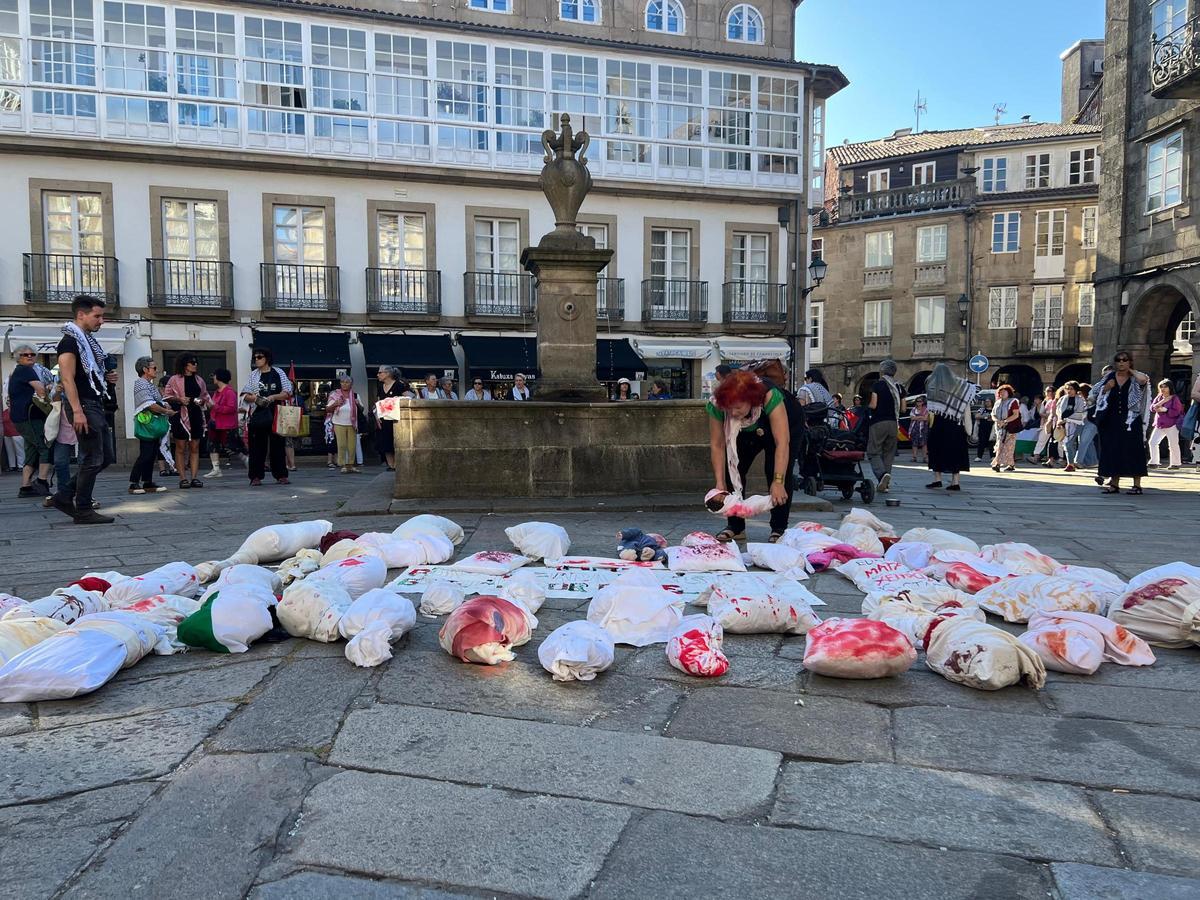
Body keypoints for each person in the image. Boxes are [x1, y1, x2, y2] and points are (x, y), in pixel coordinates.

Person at [706, 369, 798, 544]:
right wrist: (719, 484)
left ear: (751, 400)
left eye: (738, 407)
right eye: (729, 408)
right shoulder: (717, 405)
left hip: (786, 424)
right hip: (743, 431)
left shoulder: (770, 396)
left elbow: (782, 443)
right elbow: (717, 445)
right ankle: (735, 526)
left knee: (776, 473)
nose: (733, 413)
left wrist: (778, 481)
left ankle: (779, 528)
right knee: (732, 468)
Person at [51, 295, 116, 524]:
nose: (101, 320)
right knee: (92, 458)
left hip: (93, 403)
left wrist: (107, 378)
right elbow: (67, 379)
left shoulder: (85, 342)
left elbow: (84, 375)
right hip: (84, 406)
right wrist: (77, 411)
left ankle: (65, 495)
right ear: (81, 315)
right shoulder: (69, 342)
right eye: (97, 316)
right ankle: (84, 509)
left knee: (105, 457)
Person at [1094, 351, 1151, 495]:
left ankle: (1136, 485)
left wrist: (1130, 370)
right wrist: (1107, 387)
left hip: (1131, 419)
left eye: (1125, 360)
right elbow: (1095, 392)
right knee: (1113, 450)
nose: (1121, 362)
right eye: (1118, 360)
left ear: (1130, 362)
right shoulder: (1109, 377)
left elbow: (1144, 380)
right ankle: (1114, 484)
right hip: (1111, 419)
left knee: (1134, 450)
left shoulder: (1135, 377)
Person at [240, 347, 293, 486]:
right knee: (257, 446)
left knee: (278, 445)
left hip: (276, 412)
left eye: (259, 357)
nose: (256, 360)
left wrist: (273, 397)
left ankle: (281, 475)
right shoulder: (253, 375)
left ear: (267, 359)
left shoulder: (278, 372)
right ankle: (255, 476)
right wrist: (257, 399)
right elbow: (245, 394)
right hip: (258, 413)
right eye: (255, 358)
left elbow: (288, 391)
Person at [8, 345, 53, 497]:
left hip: (21, 417)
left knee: (32, 450)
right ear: (18, 357)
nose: (29, 356)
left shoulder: (18, 371)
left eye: (32, 354)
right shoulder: (26, 370)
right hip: (29, 417)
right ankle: (41, 482)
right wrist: (49, 389)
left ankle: (25, 487)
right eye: (25, 354)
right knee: (45, 447)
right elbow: (40, 389)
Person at [923, 364, 975, 491]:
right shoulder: (961, 386)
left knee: (936, 451)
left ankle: (937, 479)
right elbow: (966, 406)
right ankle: (955, 481)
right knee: (956, 452)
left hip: (939, 424)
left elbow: (931, 407)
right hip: (956, 425)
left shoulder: (933, 386)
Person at [164, 354, 212, 489]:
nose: (195, 364)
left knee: (195, 447)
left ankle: (195, 478)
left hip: (196, 414)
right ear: (185, 364)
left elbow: (205, 396)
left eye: (196, 362)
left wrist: (203, 401)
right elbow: (166, 396)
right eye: (192, 362)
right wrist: (179, 400)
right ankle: (183, 478)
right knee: (180, 447)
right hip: (180, 416)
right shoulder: (174, 379)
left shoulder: (200, 380)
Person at [129, 357, 172, 495]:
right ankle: (134, 482)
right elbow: (150, 404)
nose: (156, 370)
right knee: (146, 454)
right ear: (145, 370)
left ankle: (147, 482)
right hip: (148, 424)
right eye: (154, 368)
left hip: (153, 424)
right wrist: (166, 410)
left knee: (151, 453)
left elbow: (157, 402)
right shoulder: (141, 384)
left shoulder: (149, 384)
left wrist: (165, 405)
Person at [866, 359, 905, 493]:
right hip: (894, 424)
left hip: (878, 423)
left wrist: (867, 407)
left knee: (873, 451)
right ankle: (884, 484)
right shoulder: (899, 387)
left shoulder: (878, 385)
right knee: (888, 454)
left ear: (882, 371)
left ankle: (882, 475)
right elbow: (903, 408)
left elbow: (874, 405)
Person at [207, 368, 243, 477]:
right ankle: (216, 469)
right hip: (215, 422)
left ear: (219, 377)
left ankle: (248, 461)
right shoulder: (217, 393)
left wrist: (215, 407)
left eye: (214, 376)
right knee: (212, 444)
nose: (213, 378)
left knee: (233, 447)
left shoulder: (229, 392)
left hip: (226, 425)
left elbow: (231, 408)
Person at [325, 374, 363, 474]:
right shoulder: (335, 394)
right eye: (342, 382)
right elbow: (328, 409)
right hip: (338, 423)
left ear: (351, 384)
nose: (344, 384)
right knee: (341, 445)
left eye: (347, 382)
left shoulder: (355, 395)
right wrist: (335, 404)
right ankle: (343, 465)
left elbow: (362, 409)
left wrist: (358, 404)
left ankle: (350, 465)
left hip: (352, 423)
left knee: (352, 446)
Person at [376, 365, 411, 469]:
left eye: (380, 372)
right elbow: (378, 402)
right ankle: (391, 464)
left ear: (387, 374)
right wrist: (377, 415)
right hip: (384, 418)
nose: (378, 375)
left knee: (395, 441)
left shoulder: (399, 385)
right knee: (385, 442)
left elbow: (409, 397)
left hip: (396, 419)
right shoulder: (380, 386)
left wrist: (396, 400)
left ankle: (398, 464)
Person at [1148, 379, 1184, 470]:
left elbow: (1177, 412)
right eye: (1161, 387)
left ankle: (1175, 463)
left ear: (1170, 388)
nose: (1163, 389)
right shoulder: (1159, 397)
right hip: (1159, 424)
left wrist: (1166, 410)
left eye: (1165, 387)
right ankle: (1154, 462)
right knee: (1152, 442)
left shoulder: (1175, 398)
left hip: (1172, 424)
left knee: (1173, 444)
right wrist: (1163, 401)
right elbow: (1152, 408)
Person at [1056, 381, 1088, 472]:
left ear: (1076, 389)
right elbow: (1058, 411)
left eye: (1071, 389)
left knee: (1069, 444)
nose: (1069, 391)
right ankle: (1070, 464)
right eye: (1067, 389)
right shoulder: (1062, 399)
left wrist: (1067, 419)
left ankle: (1071, 464)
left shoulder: (1080, 400)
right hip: (1063, 424)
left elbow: (1081, 413)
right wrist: (1059, 420)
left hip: (1076, 424)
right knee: (1066, 444)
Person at [991, 385, 1021, 472]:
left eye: (1004, 392)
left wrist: (1005, 421)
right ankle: (1011, 465)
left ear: (1009, 392)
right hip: (999, 428)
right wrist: (997, 421)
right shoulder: (997, 402)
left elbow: (1016, 414)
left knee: (1007, 446)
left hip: (1010, 428)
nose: (1002, 393)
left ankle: (997, 464)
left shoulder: (1013, 402)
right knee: (1001, 445)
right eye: (1000, 392)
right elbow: (993, 414)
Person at [1028, 387, 1058, 466]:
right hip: (1046, 423)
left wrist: (1045, 415)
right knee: (1041, 440)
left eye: (1049, 391)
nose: (1047, 393)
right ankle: (1036, 456)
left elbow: (1053, 413)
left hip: (1055, 422)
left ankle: (1057, 459)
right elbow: (1041, 414)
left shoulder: (1057, 400)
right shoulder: (1045, 402)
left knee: (1056, 442)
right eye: (1046, 391)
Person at [908, 395, 929, 463]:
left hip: (923, 429)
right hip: (914, 429)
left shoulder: (926, 409)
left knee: (924, 443)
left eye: (920, 401)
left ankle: (925, 458)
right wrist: (921, 417)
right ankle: (914, 457)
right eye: (917, 401)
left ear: (923, 402)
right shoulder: (913, 409)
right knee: (914, 443)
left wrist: (917, 417)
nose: (918, 403)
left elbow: (926, 418)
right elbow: (912, 418)